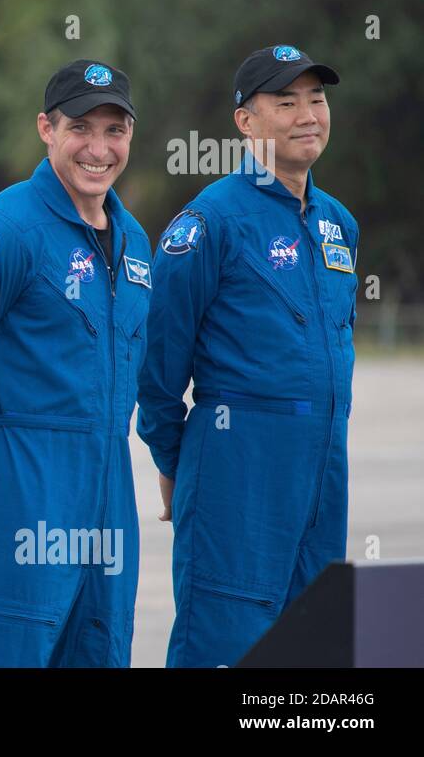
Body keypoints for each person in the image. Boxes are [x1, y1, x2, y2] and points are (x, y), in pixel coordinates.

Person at [138, 45, 355, 667]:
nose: (308, 114)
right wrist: (182, 464)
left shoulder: (337, 223)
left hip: (323, 469)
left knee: (314, 651)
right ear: (245, 122)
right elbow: (158, 369)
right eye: (285, 102)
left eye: (316, 99)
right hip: (238, 470)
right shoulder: (211, 222)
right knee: (228, 644)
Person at [0, 60, 149, 667]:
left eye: (116, 130)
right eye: (81, 127)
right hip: (22, 482)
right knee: (10, 647)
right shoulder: (7, 231)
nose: (99, 148)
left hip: (109, 482)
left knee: (101, 647)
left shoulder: (135, 241)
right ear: (46, 130)